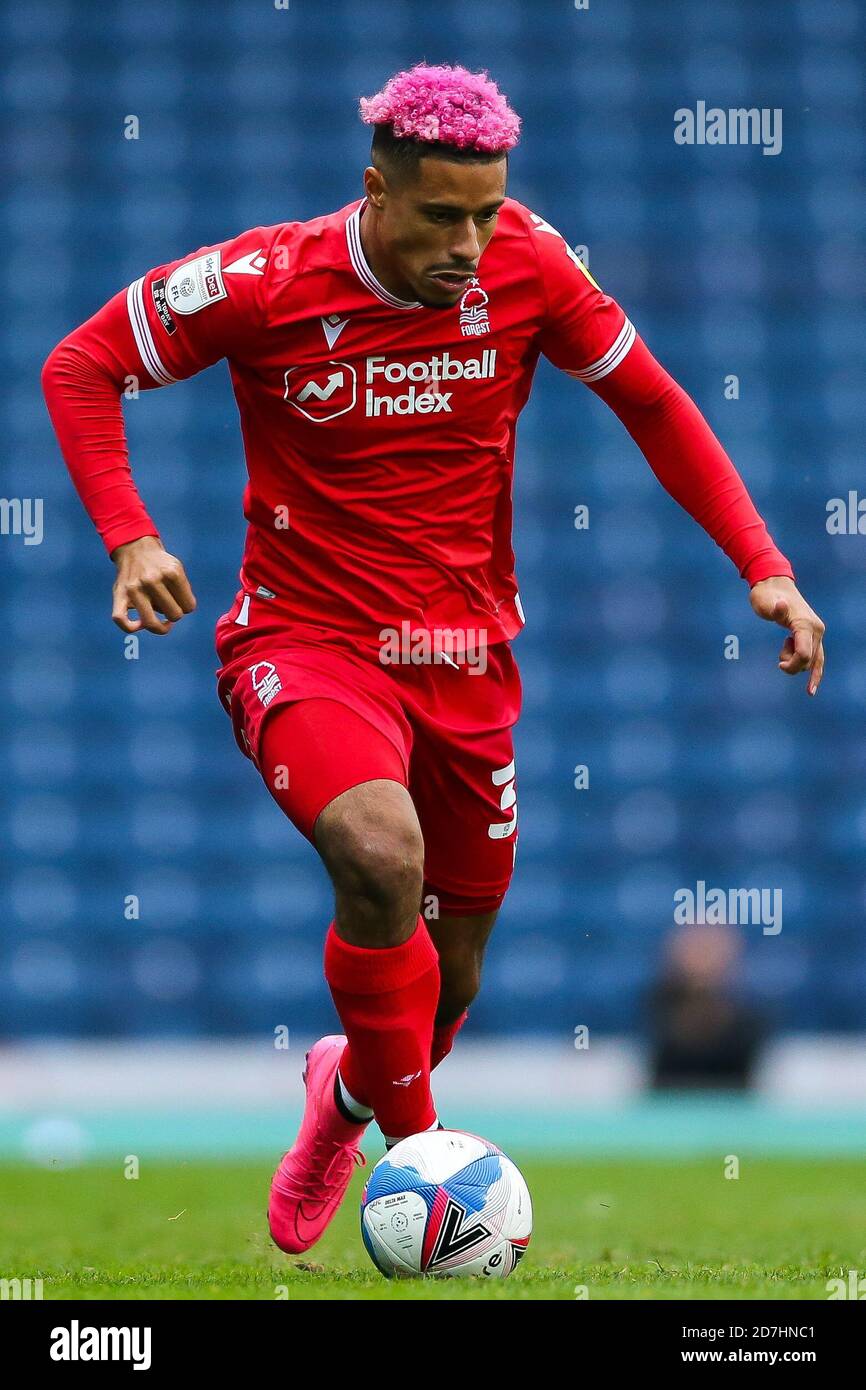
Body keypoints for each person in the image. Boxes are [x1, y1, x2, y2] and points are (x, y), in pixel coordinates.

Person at [42, 63, 825, 1255]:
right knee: (377, 852)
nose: (470, 240)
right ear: (376, 188)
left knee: (446, 983)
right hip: (303, 639)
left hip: (465, 656)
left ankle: (339, 1100)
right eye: (442, 214)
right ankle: (420, 1165)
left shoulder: (530, 265)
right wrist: (130, 534)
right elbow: (80, 364)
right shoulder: (262, 279)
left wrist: (760, 560)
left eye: (487, 211)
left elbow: (655, 404)